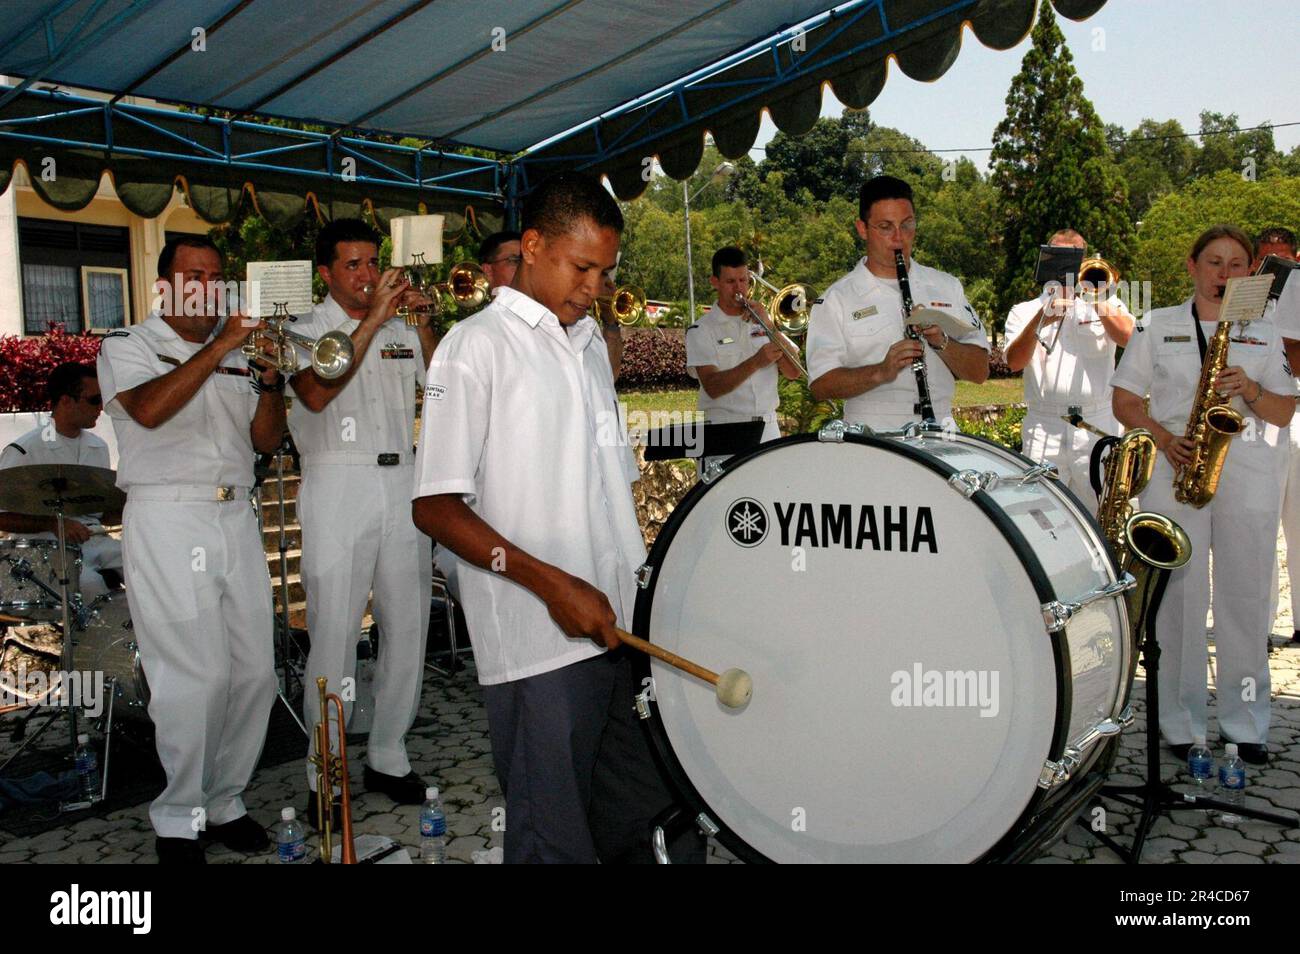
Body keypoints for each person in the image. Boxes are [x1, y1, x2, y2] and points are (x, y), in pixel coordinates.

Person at [412, 171, 703, 864]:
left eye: (604, 272)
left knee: (639, 821)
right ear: (533, 245)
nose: (593, 287)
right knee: (551, 839)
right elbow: (435, 506)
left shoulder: (588, 351)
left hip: (614, 629)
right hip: (538, 644)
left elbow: (608, 493)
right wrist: (553, 585)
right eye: (581, 267)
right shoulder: (475, 346)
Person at [97, 235, 285, 862]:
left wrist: (271, 385)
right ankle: (179, 817)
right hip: (168, 515)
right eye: (193, 275)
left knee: (255, 671)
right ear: (165, 285)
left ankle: (226, 799)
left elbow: (264, 442)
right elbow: (149, 410)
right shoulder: (127, 346)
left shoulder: (235, 354)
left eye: (216, 275)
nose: (207, 286)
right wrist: (225, 346)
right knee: (192, 678)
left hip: (235, 515)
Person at [1111, 224, 1296, 766]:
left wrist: (1252, 389)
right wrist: (1164, 439)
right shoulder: (1157, 324)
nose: (1224, 273)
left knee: (1244, 598)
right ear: (1192, 267)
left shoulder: (1263, 330)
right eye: (1214, 262)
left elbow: (1285, 411)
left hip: (1248, 472)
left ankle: (1245, 723)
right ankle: (1182, 723)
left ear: (1251, 272)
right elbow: (1124, 400)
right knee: (1180, 604)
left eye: (1236, 263)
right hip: (1178, 467)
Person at [287, 219, 437, 823]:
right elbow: (316, 394)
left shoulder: (400, 325)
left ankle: (388, 753)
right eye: (353, 265)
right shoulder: (301, 328)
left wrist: (423, 323)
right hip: (338, 479)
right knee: (335, 632)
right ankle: (324, 773)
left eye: (374, 263)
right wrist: (372, 319)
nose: (369, 276)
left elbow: (446, 386)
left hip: (403, 476)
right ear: (326, 273)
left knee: (409, 626)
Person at [806, 175, 990, 430]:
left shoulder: (947, 286)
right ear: (862, 229)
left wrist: (942, 342)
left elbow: (980, 372)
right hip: (872, 431)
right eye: (885, 227)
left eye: (907, 225)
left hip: (941, 426)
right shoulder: (837, 299)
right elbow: (820, 385)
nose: (899, 238)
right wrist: (881, 371)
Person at [1003, 229, 1136, 495]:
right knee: (1044, 510)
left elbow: (1130, 340)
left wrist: (1097, 299)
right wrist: (1042, 317)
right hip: (1044, 425)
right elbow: (1014, 363)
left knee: (1100, 510)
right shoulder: (1024, 310)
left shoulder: (1108, 303)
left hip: (1097, 421)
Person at [0, 362, 123, 598]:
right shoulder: (24, 450)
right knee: (88, 583)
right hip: (44, 546)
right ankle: (92, 635)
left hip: (94, 539)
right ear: (66, 401)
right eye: (94, 400)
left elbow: (101, 512)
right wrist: (52, 525)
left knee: (146, 565)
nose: (101, 408)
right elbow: (2, 516)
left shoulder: (99, 447)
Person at [685, 246, 801, 469]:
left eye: (743, 280)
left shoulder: (763, 322)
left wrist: (769, 327)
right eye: (730, 282)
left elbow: (794, 371)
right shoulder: (701, 330)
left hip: (767, 430)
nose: (739, 288)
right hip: (725, 431)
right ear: (714, 282)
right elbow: (713, 386)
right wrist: (756, 362)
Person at [1254, 228, 1300, 641]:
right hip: (1262, 416)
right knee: (1263, 523)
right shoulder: (1246, 300)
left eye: (1284, 260)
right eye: (1268, 261)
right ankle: (1261, 625)